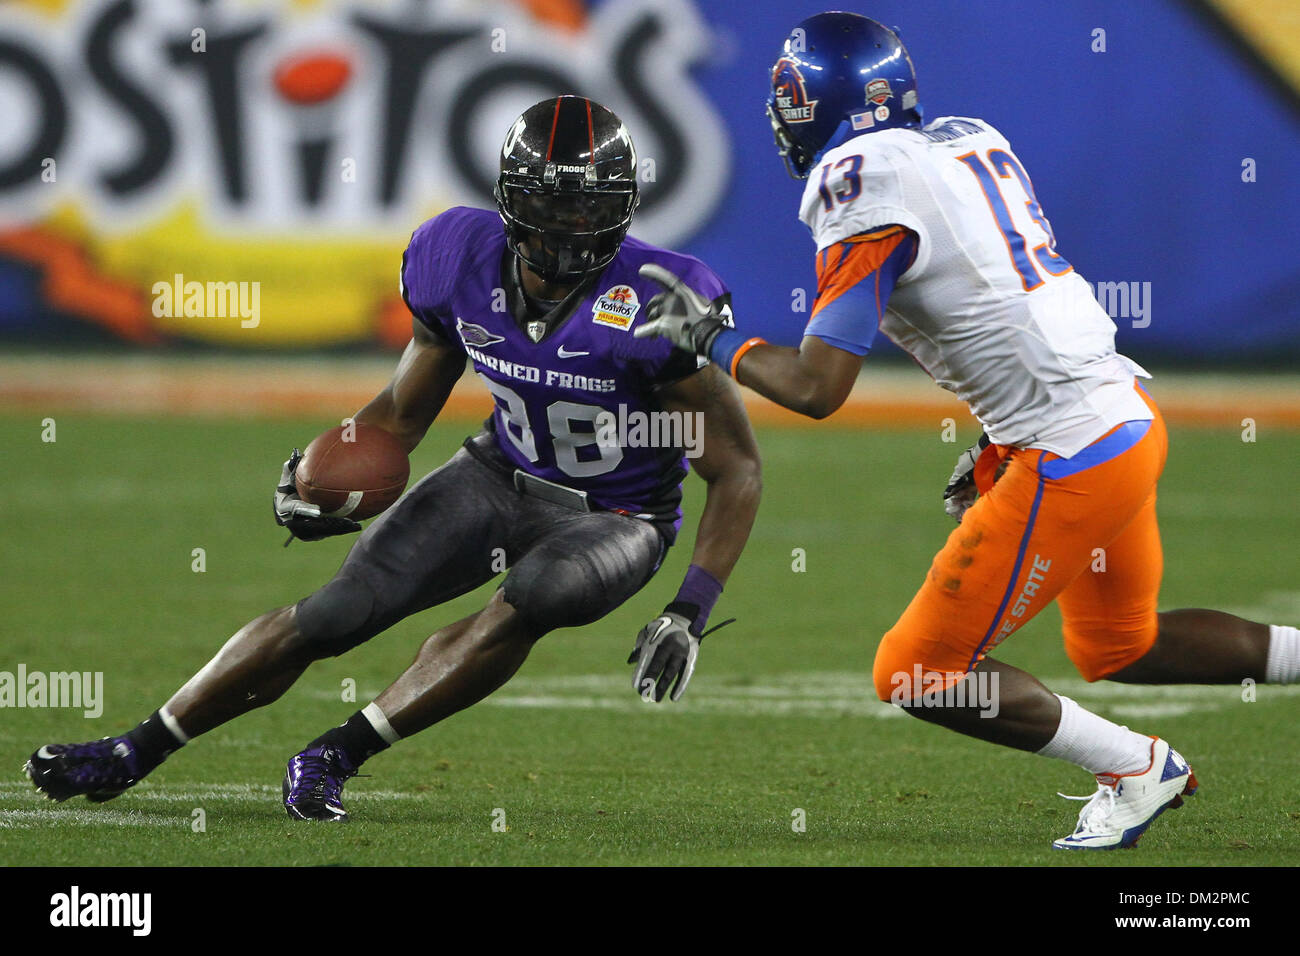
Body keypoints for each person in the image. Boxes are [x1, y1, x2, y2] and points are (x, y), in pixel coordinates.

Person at [633, 13, 1298, 850]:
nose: (783, 117)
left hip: (1074, 450)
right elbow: (1006, 303)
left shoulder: (860, 177)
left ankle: (1135, 766)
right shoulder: (964, 139)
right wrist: (998, 436)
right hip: (1124, 417)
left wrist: (712, 339)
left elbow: (816, 387)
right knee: (1123, 645)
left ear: (828, 103)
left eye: (793, 98)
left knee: (915, 671)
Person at [26, 96, 762, 822]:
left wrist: (688, 611)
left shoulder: (661, 297)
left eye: (591, 206)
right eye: (555, 203)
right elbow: (401, 415)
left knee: (540, 594)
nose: (574, 226)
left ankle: (334, 756)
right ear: (511, 199)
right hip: (494, 474)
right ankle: (134, 750)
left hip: (617, 514)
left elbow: (734, 468)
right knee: (337, 610)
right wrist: (326, 475)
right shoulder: (459, 258)